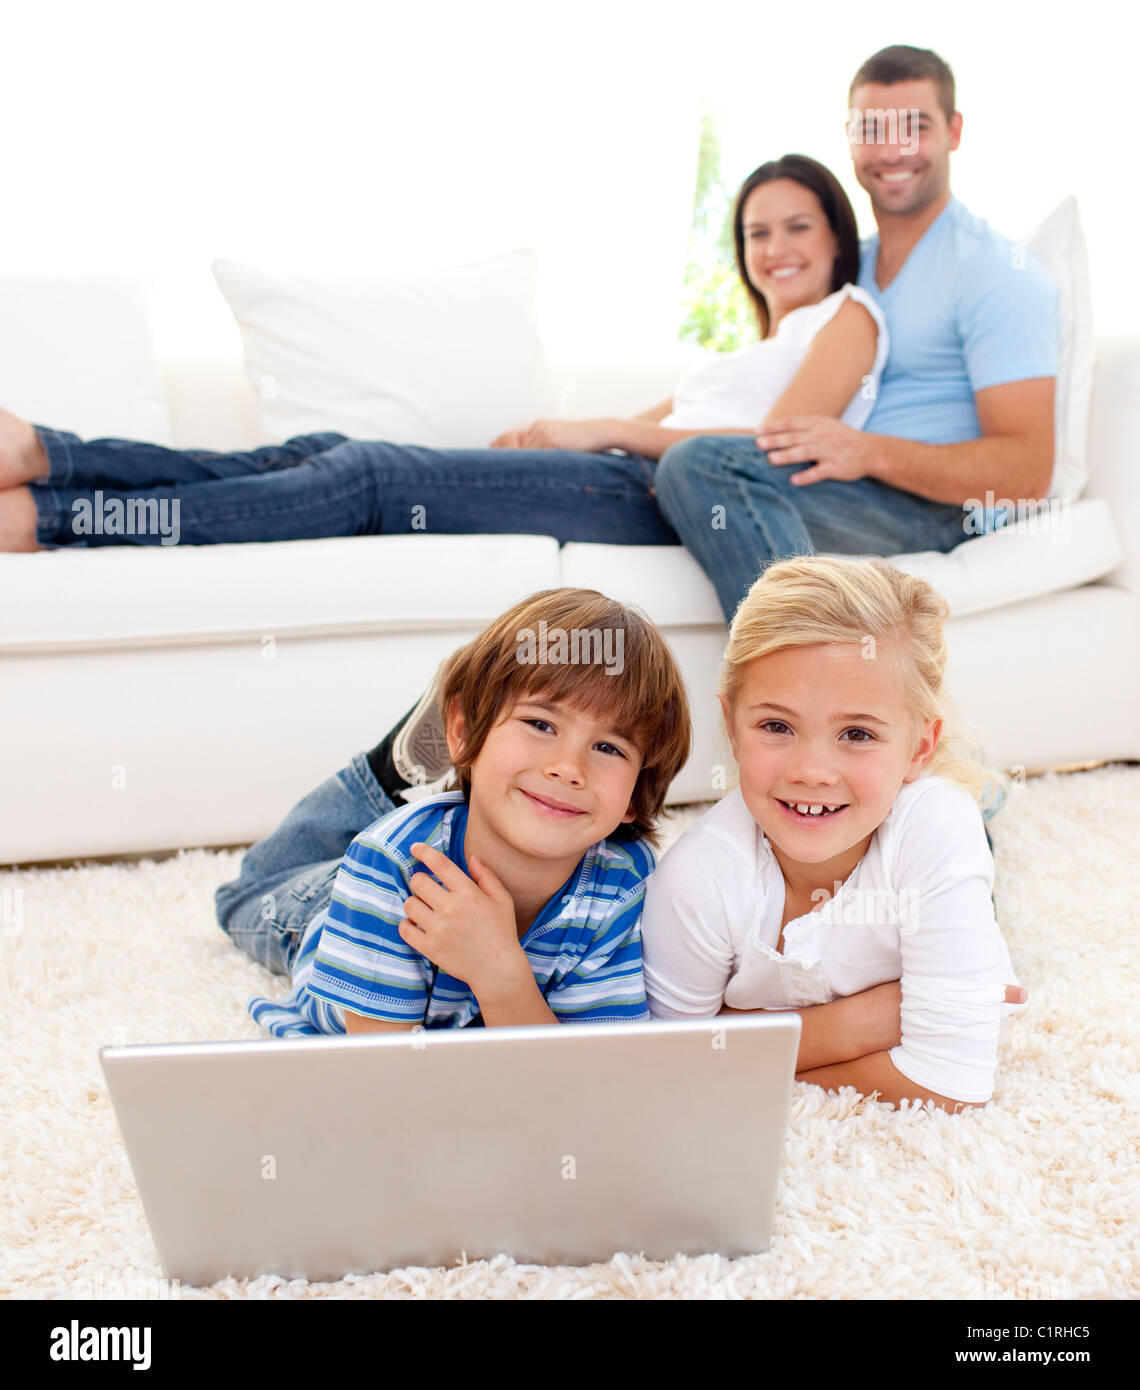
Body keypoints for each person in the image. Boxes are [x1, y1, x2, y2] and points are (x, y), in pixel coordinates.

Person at [0, 155, 885, 565]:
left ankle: (55, 517)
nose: (774, 247)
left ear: (836, 235)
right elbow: (664, 425)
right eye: (757, 231)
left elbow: (771, 442)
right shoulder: (753, 346)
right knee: (312, 453)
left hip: (659, 501)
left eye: (797, 226)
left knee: (366, 477)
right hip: (618, 472)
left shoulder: (848, 315)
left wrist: (603, 428)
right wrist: (561, 437)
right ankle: (51, 456)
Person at [654, 43, 1061, 620]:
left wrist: (867, 452)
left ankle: (799, 668)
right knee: (645, 472)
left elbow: (1025, 472)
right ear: (849, 137)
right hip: (826, 482)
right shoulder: (849, 266)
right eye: (872, 128)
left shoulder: (996, 273)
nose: (892, 149)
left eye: (914, 126)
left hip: (931, 508)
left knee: (700, 466)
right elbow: (766, 371)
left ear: (955, 131)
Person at [638, 554, 1028, 1114]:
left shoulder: (935, 824)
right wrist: (865, 1022)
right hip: (872, 820)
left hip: (909, 822)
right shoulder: (698, 878)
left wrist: (744, 1038)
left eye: (856, 733)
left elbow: (951, 1085)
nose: (811, 769)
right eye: (777, 726)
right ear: (731, 726)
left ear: (920, 745)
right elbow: (666, 1067)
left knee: (967, 806)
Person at [214, 587, 691, 1036]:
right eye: (540, 723)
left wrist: (500, 972)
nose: (568, 769)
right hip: (336, 910)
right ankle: (380, 778)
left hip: (420, 857)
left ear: (635, 796)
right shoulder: (388, 867)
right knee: (247, 893)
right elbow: (384, 1081)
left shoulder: (625, 883)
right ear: (463, 732)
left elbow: (584, 1079)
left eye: (608, 748)